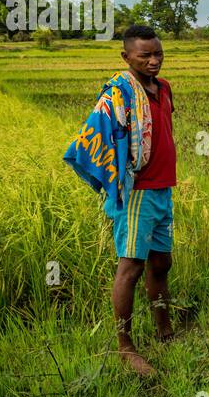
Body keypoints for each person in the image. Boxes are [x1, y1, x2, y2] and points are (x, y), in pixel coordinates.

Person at [63, 24, 176, 376]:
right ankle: (125, 348)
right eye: (145, 55)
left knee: (161, 263)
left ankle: (164, 329)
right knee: (131, 268)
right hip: (137, 192)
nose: (154, 60)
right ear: (126, 57)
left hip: (162, 189)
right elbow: (97, 133)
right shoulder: (119, 93)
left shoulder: (164, 88)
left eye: (158, 53)